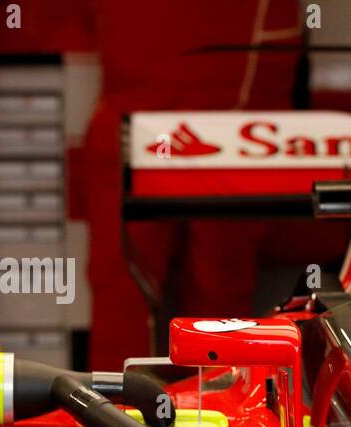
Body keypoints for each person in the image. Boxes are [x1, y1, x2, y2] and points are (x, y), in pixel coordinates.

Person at [81, 0, 300, 371]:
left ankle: (211, 412)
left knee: (215, 297)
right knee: (129, 300)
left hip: (232, 125)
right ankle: (120, 410)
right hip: (179, 118)